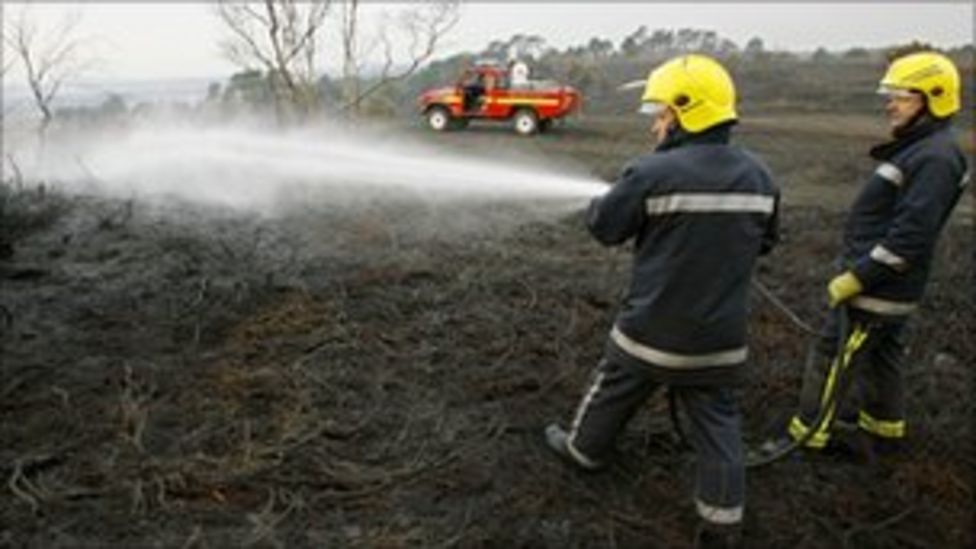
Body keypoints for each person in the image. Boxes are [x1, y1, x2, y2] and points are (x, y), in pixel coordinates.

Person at [544, 54, 779, 548]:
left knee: (613, 388)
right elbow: (766, 240)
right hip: (719, 340)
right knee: (719, 425)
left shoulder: (651, 172)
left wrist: (603, 201)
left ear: (685, 112)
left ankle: (584, 452)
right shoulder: (761, 176)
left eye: (660, 114)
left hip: (649, 332)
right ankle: (722, 520)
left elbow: (605, 228)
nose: (654, 124)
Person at [757, 50, 968, 461]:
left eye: (902, 96)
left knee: (833, 353)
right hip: (892, 288)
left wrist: (859, 277)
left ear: (934, 98)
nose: (890, 103)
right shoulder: (925, 150)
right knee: (884, 356)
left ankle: (807, 436)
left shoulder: (934, 158)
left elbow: (911, 236)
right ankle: (884, 428)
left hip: (879, 288)